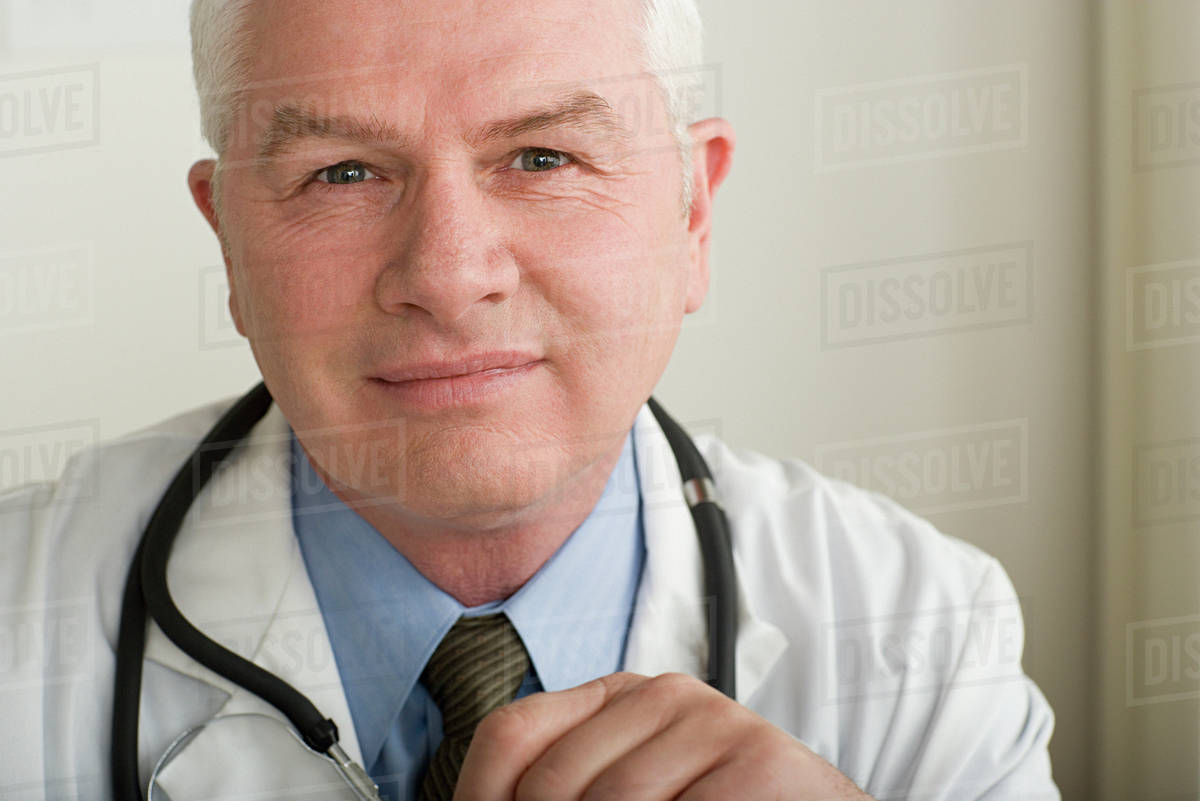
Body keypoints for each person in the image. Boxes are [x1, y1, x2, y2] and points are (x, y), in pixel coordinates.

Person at [0, 0, 1060, 799]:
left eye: (543, 156)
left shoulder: (921, 634)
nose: (449, 273)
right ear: (227, 237)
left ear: (693, 215)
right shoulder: (21, 617)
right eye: (343, 173)